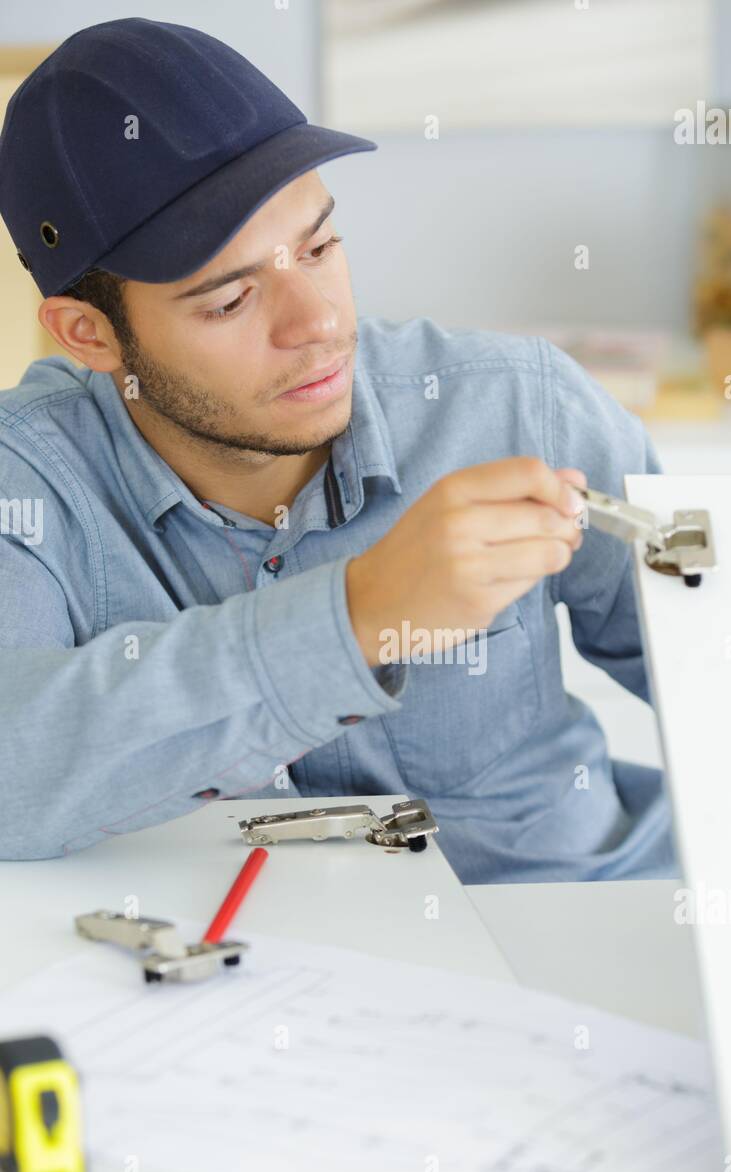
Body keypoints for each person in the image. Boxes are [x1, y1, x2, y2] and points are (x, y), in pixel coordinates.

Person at [0, 18, 679, 883]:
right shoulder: (29, 477)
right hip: (249, 985)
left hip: (574, 924)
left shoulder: (514, 403)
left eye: (318, 247)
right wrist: (355, 617)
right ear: (89, 334)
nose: (318, 323)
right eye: (232, 300)